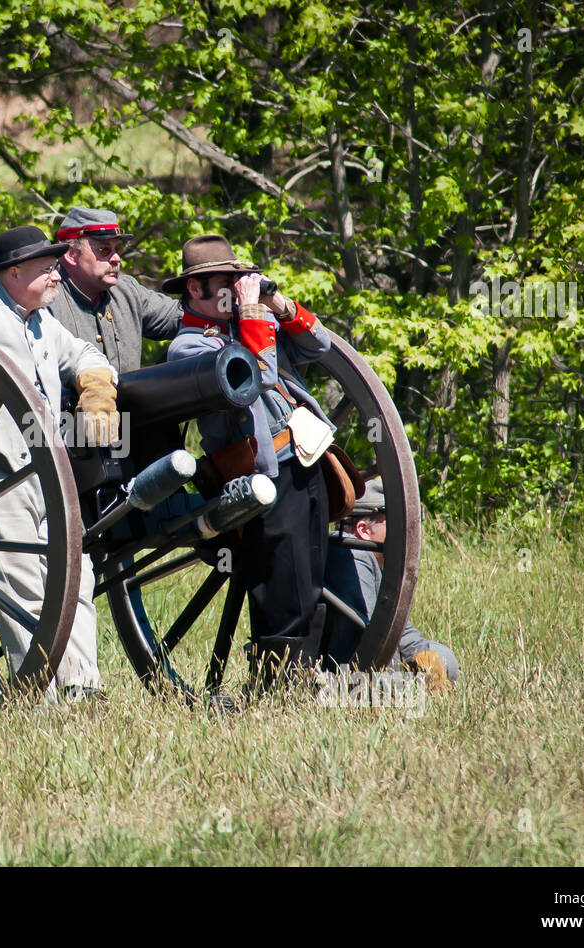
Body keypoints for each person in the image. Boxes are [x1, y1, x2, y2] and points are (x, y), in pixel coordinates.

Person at [0, 225, 119, 700]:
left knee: (76, 578)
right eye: (46, 267)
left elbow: (85, 351)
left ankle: (81, 690)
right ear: (13, 272)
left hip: (44, 473)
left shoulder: (39, 321)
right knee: (21, 583)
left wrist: (95, 383)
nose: (56, 275)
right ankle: (40, 696)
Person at [165, 234, 335, 690]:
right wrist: (256, 319)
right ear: (196, 289)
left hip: (303, 457)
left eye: (240, 280)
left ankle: (300, 675)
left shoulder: (250, 325)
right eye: (228, 282)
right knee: (283, 574)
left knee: (311, 569)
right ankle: (279, 684)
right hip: (262, 472)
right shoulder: (189, 349)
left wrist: (277, 304)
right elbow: (254, 383)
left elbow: (320, 345)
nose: (238, 290)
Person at [322, 478, 458, 691]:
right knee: (445, 659)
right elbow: (371, 634)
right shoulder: (353, 556)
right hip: (350, 678)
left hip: (361, 674)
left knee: (442, 656)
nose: (401, 533)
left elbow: (395, 625)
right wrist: (391, 687)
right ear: (364, 529)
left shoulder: (365, 558)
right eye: (392, 524)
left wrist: (424, 658)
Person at [48, 206, 182, 375]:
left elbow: (183, 316)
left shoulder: (127, 291)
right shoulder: (46, 300)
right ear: (71, 254)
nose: (116, 258)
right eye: (104, 250)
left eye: (118, 249)